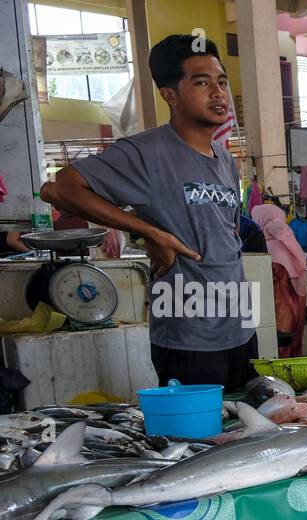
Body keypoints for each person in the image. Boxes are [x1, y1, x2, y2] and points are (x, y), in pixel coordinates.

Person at [40, 34, 256, 390]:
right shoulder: (147, 152)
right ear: (169, 95)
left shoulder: (225, 160)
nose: (218, 94)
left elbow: (224, 234)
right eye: (201, 83)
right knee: (198, 440)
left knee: (248, 427)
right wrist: (151, 233)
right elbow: (59, 188)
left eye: (221, 82)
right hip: (189, 333)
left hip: (239, 326)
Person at [250, 204, 307, 358]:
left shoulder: (267, 250)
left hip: (278, 318)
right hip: (296, 316)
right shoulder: (290, 246)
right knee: (293, 352)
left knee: (279, 353)